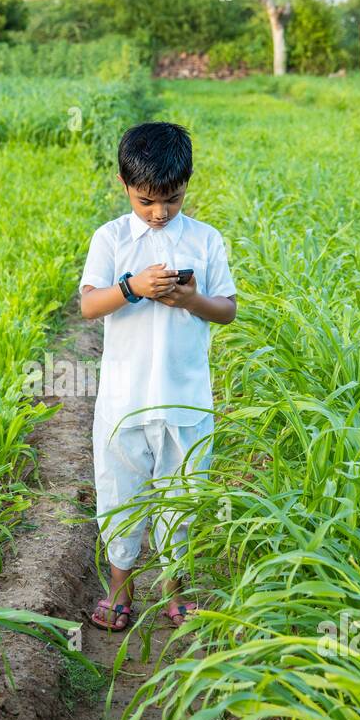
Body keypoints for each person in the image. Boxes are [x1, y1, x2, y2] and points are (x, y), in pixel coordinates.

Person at [78, 121, 237, 632]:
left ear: (187, 183)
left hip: (185, 395)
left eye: (171, 198)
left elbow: (227, 310)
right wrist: (133, 288)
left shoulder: (206, 241)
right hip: (125, 398)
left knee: (184, 493)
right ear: (124, 185)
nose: (159, 212)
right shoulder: (111, 239)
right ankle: (120, 590)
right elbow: (87, 305)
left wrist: (190, 299)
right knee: (120, 491)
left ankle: (175, 589)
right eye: (146, 200)